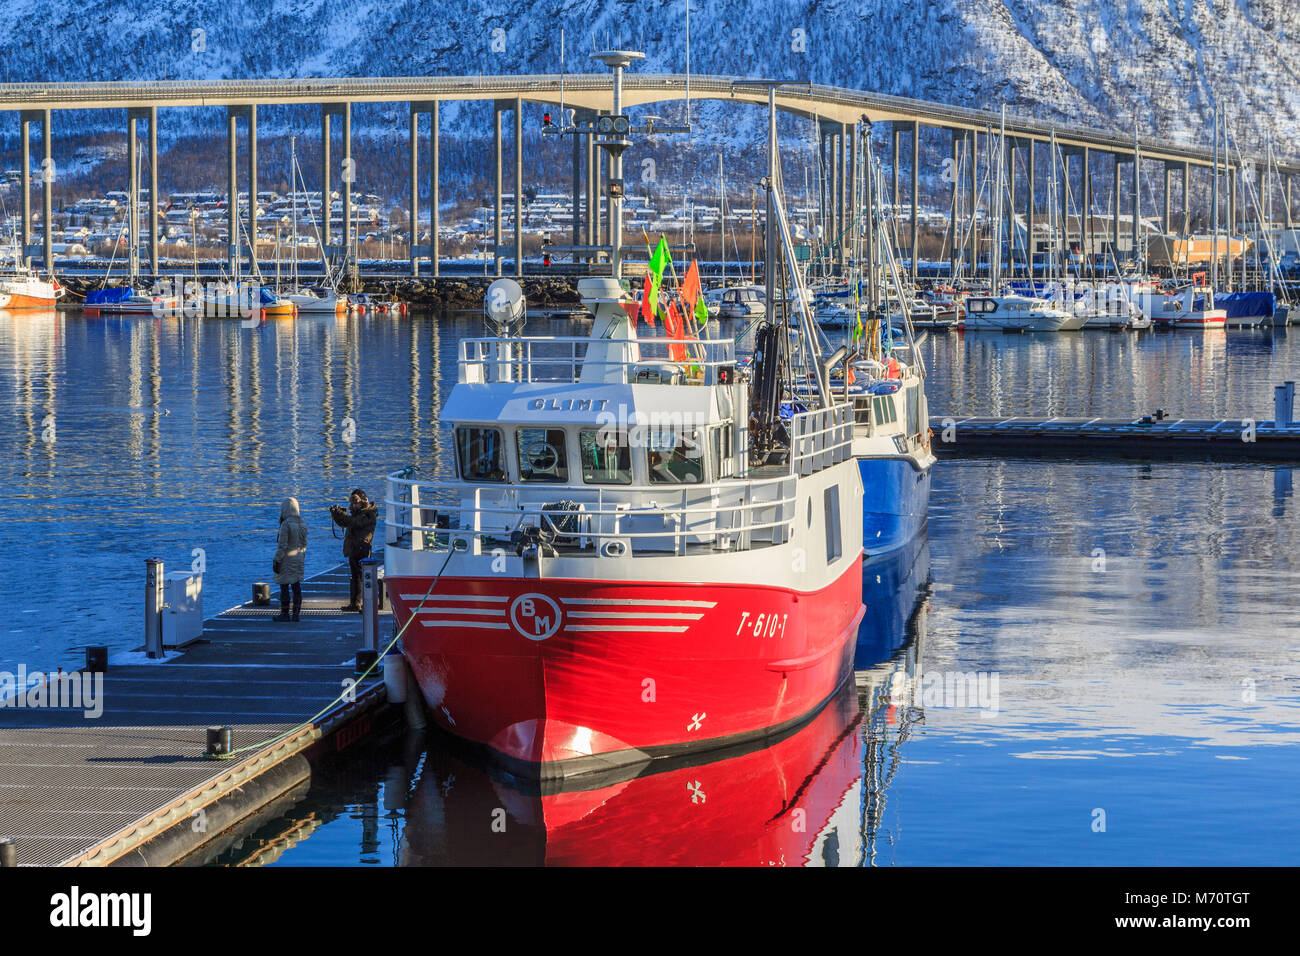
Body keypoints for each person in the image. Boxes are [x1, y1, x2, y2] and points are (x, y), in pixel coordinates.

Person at [330, 488, 377, 612]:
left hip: (363, 548)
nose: (352, 505)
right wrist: (336, 514)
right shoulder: (359, 513)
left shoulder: (368, 514)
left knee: (362, 577)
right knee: (355, 577)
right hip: (354, 548)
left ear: (362, 502)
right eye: (351, 502)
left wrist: (340, 514)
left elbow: (353, 522)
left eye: (355, 502)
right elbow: (346, 523)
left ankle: (362, 603)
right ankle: (355, 603)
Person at [273, 497, 307, 622]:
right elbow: (304, 544)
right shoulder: (302, 523)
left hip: (287, 558)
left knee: (284, 585)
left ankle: (285, 612)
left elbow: (282, 546)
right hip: (299, 557)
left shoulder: (285, 524)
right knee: (296, 584)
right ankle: (296, 613)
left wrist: (277, 560)